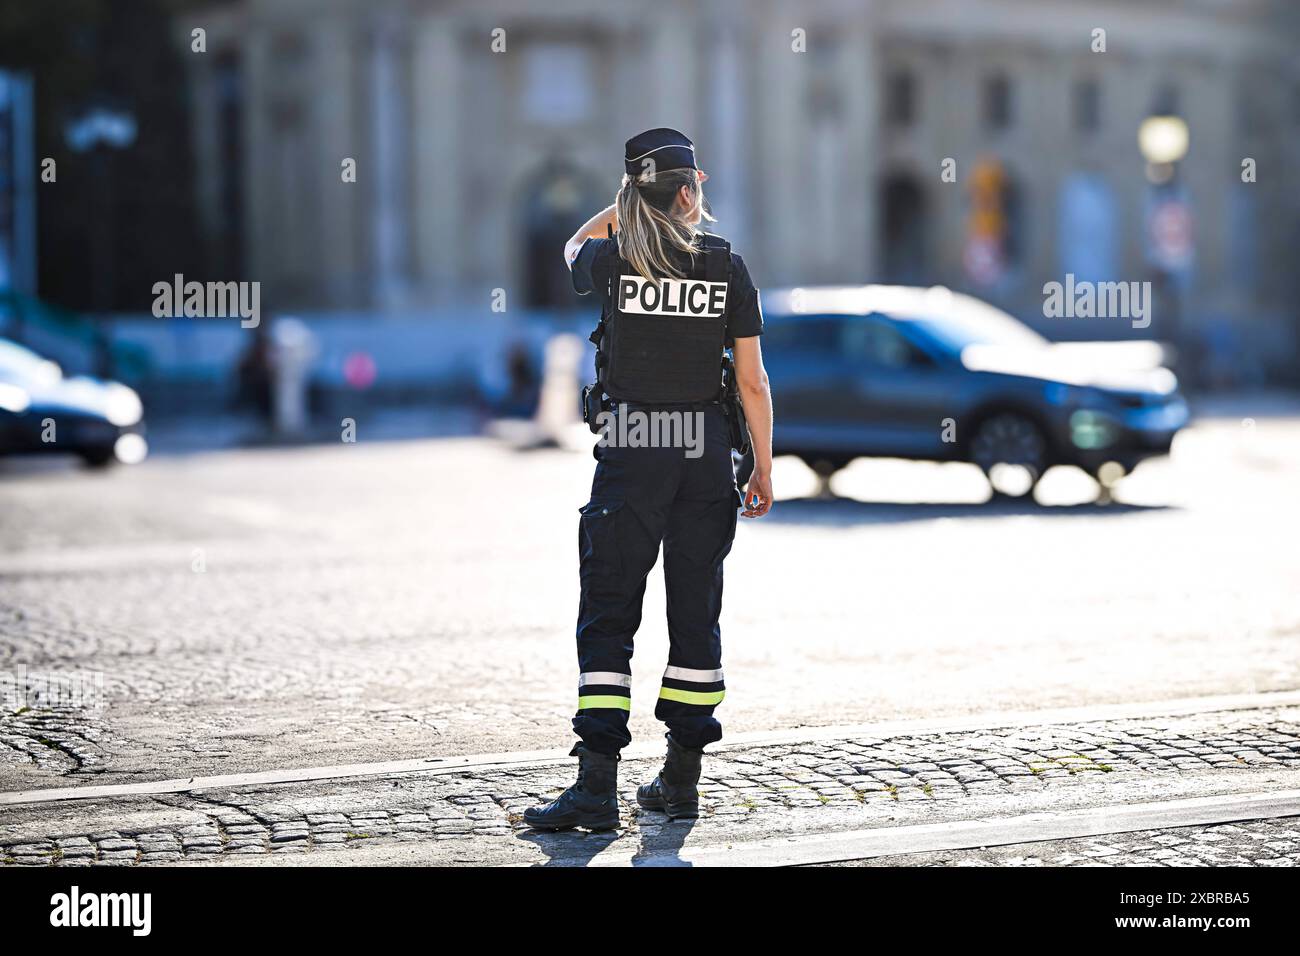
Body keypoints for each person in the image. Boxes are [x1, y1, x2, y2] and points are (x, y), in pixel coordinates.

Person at [524, 128, 773, 831]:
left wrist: (623, 206)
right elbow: (752, 381)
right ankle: (681, 781)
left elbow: (571, 247)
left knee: (610, 611)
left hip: (636, 447)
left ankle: (597, 789)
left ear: (634, 193)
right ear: (691, 193)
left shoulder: (612, 258)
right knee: (696, 613)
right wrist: (762, 465)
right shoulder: (727, 265)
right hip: (705, 448)